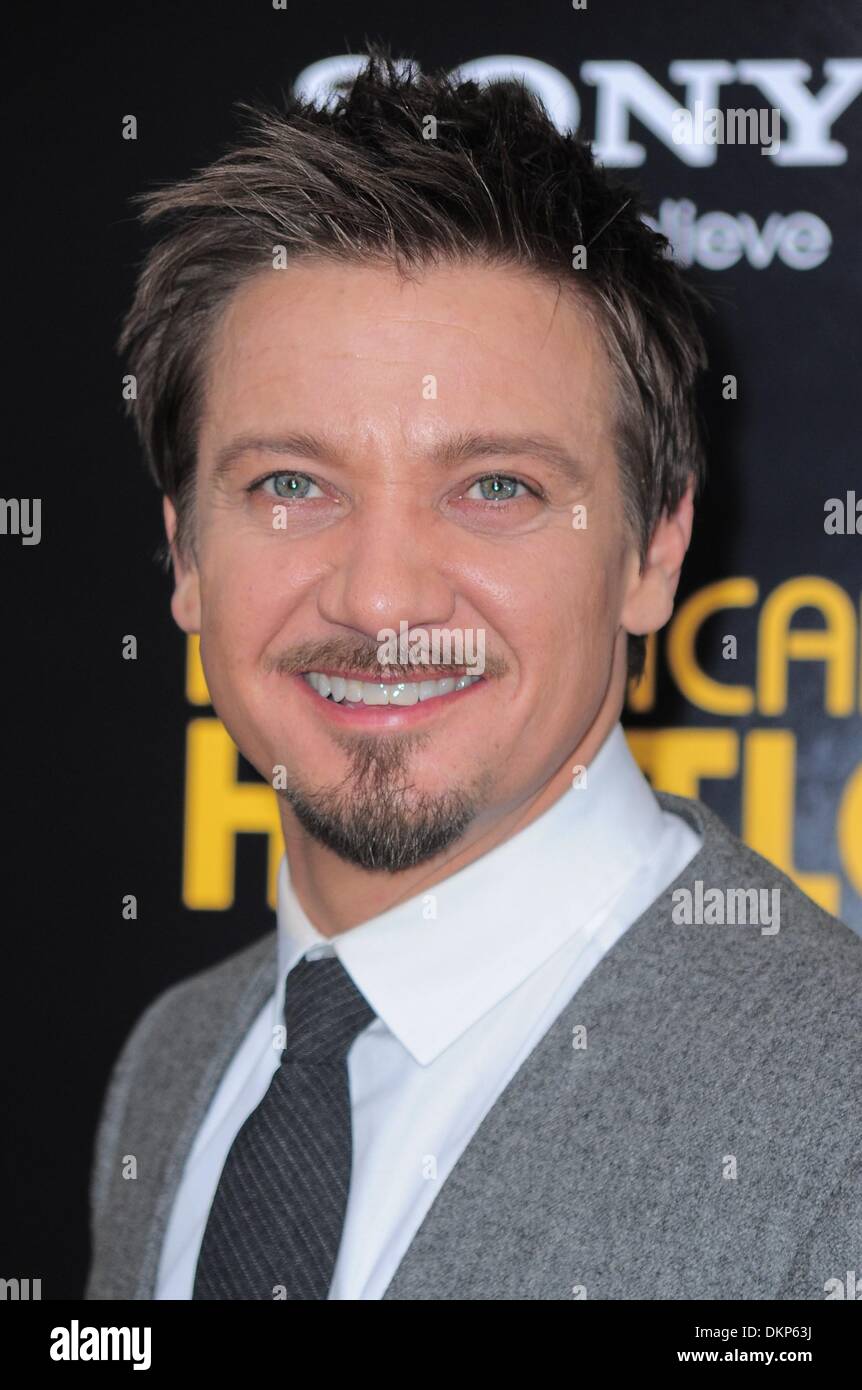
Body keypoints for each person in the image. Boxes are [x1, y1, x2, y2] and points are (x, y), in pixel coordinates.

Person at [84, 43, 861, 1301]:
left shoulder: (842, 1127)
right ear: (182, 553)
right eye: (291, 484)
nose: (381, 596)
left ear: (653, 550)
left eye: (495, 486)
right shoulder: (171, 1067)